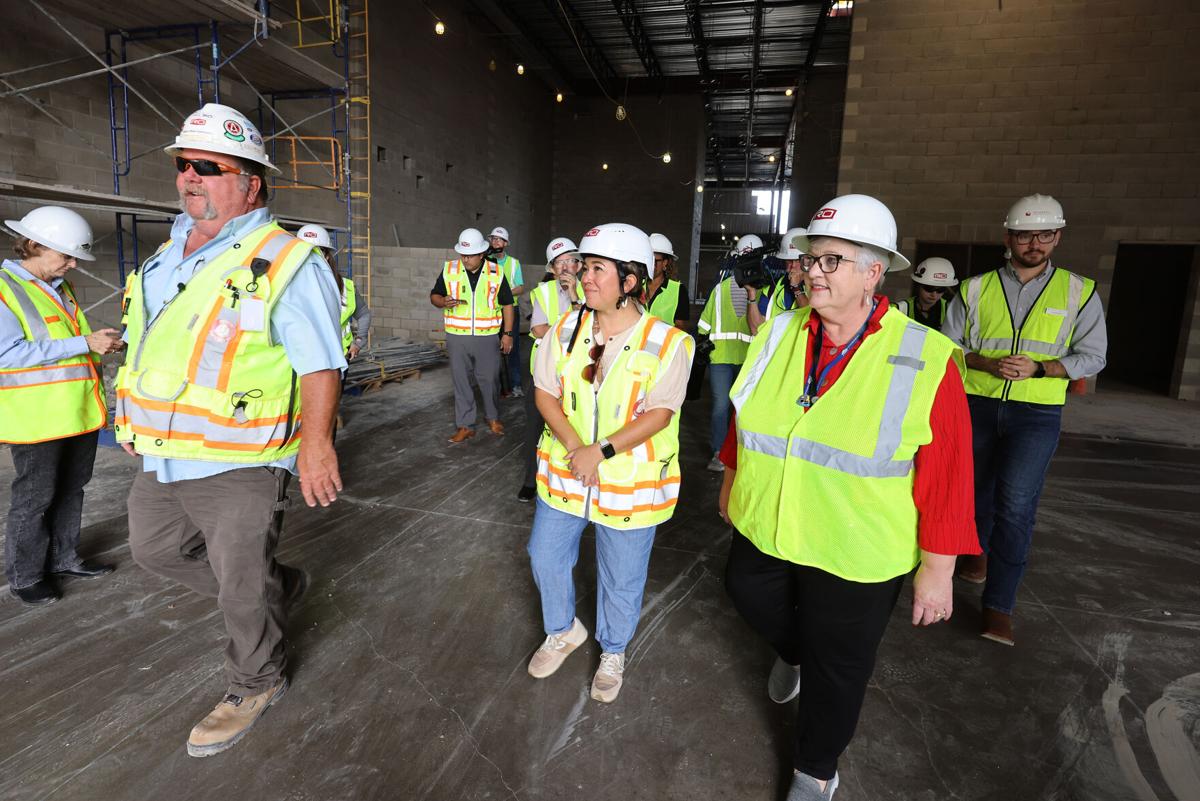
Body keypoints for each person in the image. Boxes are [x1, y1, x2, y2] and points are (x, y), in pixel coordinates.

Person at [718, 194, 979, 801]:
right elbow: (743, 415)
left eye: (832, 260)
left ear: (873, 271)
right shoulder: (778, 331)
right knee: (746, 591)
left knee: (840, 667)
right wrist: (731, 481)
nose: (813, 271)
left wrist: (939, 567)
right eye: (812, 259)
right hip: (768, 520)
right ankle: (794, 650)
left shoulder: (924, 355)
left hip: (858, 546)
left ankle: (815, 768)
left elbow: (948, 471)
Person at [114, 103, 346, 757]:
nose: (190, 176)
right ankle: (278, 585)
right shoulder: (167, 260)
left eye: (209, 166)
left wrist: (317, 445)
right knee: (154, 549)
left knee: (239, 579)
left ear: (252, 184)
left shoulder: (286, 261)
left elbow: (320, 361)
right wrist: (129, 414)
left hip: (243, 456)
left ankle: (254, 680)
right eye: (184, 164)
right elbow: (150, 348)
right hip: (165, 450)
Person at [526, 223, 694, 703]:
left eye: (598, 268)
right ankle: (562, 630)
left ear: (631, 280)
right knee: (545, 555)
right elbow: (545, 393)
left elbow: (660, 413)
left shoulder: (668, 343)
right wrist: (577, 448)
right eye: (584, 266)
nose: (585, 277)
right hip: (566, 471)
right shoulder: (563, 330)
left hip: (629, 480)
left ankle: (613, 650)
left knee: (621, 576)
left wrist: (599, 452)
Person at [943, 194, 1107, 646]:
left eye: (1045, 235)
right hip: (978, 404)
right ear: (1008, 237)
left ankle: (999, 608)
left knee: (1016, 506)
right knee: (975, 493)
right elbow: (947, 346)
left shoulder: (1080, 291)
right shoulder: (974, 288)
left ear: (1057, 237)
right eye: (1024, 234)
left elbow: (1093, 356)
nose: (1034, 243)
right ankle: (975, 554)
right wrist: (984, 364)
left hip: (1036, 412)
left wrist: (1042, 368)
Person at [1, 206, 120, 606]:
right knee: (35, 499)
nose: (72, 265)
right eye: (66, 256)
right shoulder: (4, 288)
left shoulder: (58, 287)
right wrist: (84, 344)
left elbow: (65, 344)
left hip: (76, 412)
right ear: (34, 245)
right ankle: (26, 576)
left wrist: (98, 343)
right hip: (36, 419)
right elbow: (7, 354)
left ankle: (64, 558)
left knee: (72, 490)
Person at [430, 227, 515, 442]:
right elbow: (434, 296)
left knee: (490, 379)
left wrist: (507, 334)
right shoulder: (450, 269)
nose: (465, 259)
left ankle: (493, 417)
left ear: (481, 254)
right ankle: (465, 425)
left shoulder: (496, 272)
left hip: (487, 337)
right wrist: (443, 301)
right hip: (457, 336)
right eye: (463, 255)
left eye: (469, 255)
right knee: (461, 381)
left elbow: (507, 304)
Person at [517, 236, 584, 503]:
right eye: (559, 263)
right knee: (535, 426)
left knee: (573, 427)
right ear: (552, 269)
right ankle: (530, 481)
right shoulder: (542, 293)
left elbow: (594, 326)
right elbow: (538, 330)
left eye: (571, 261)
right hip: (545, 372)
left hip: (579, 373)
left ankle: (571, 479)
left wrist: (574, 296)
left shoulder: (590, 290)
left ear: (579, 265)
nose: (566, 267)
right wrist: (571, 329)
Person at [696, 233, 759, 472]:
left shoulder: (764, 294)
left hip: (750, 360)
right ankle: (719, 452)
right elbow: (704, 324)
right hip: (721, 359)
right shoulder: (720, 291)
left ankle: (743, 452)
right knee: (722, 406)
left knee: (743, 409)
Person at [297, 224, 371, 360]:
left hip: (338, 358)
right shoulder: (287, 287)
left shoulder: (346, 287)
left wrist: (358, 342)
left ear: (326, 256)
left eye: (315, 253)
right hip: (302, 358)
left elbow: (364, 314)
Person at [748, 226, 808, 336]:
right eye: (789, 261)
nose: (793, 266)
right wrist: (751, 295)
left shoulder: (820, 287)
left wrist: (796, 289)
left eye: (798, 260)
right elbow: (756, 331)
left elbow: (815, 319)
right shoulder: (772, 289)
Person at [489, 226, 526, 397]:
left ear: (506, 243)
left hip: (511, 310)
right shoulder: (486, 261)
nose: (495, 242)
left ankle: (516, 385)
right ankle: (496, 386)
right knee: (491, 350)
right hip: (491, 311)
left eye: (499, 239)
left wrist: (504, 293)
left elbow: (520, 288)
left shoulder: (514, 263)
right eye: (493, 239)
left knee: (512, 348)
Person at [895, 257, 956, 331]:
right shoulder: (899, 309)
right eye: (929, 288)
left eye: (940, 290)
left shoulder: (952, 311)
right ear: (918, 285)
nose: (934, 294)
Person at [646, 232, 690, 329]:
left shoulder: (679, 291)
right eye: (649, 259)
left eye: (656, 261)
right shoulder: (635, 286)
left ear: (665, 263)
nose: (651, 265)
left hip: (663, 343)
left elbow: (681, 327)